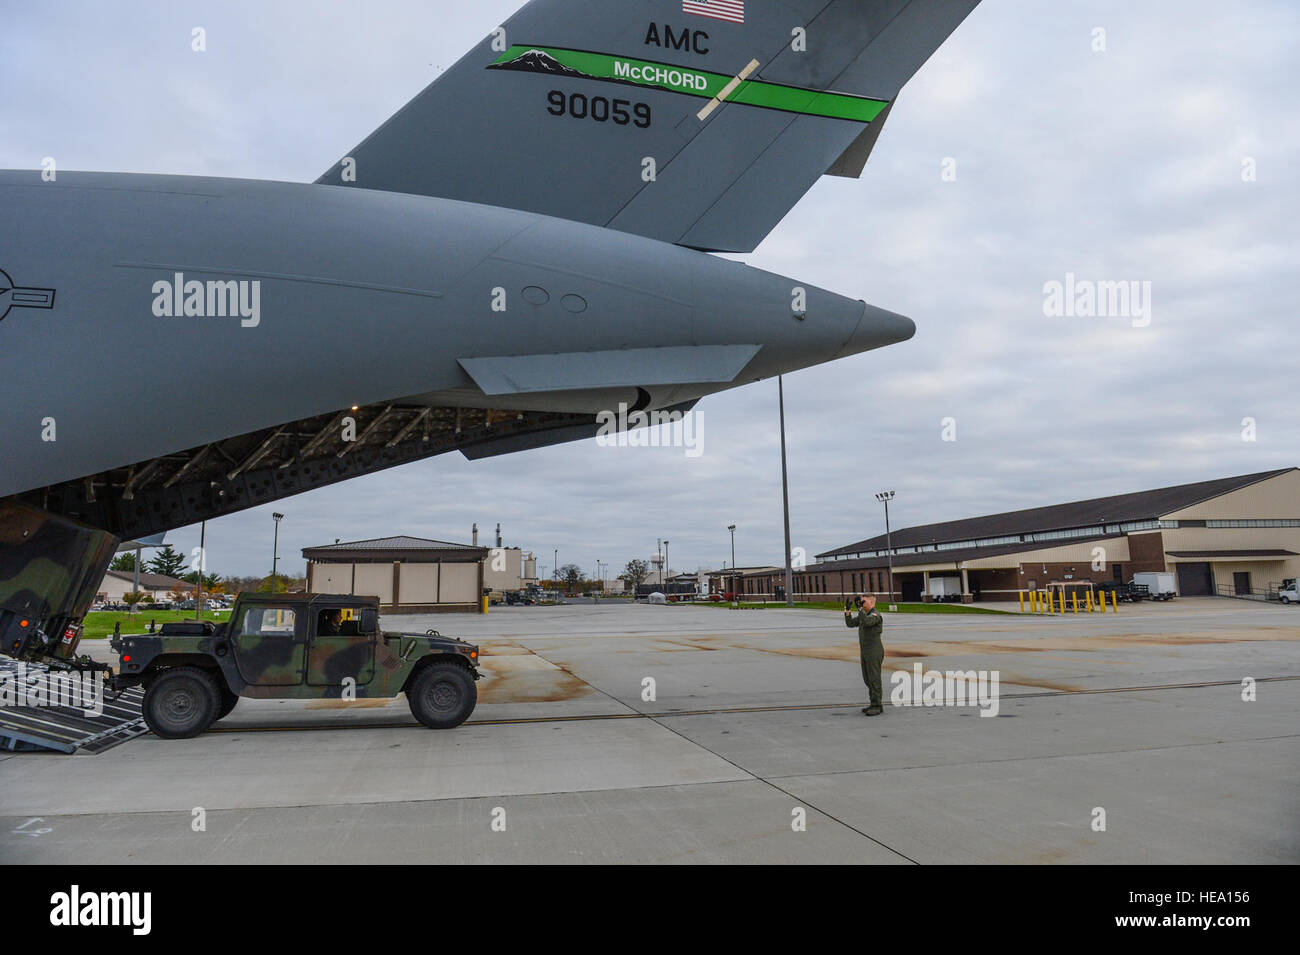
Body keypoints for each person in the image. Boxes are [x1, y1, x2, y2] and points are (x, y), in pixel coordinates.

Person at [844, 594, 884, 715]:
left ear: (871, 603)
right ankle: (873, 703)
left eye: (863, 602)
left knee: (874, 679)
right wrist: (847, 611)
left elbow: (866, 622)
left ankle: (877, 705)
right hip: (865, 651)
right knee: (867, 679)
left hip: (874, 651)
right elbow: (850, 623)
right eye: (860, 602)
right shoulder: (864, 615)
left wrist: (860, 610)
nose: (861, 604)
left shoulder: (875, 615)